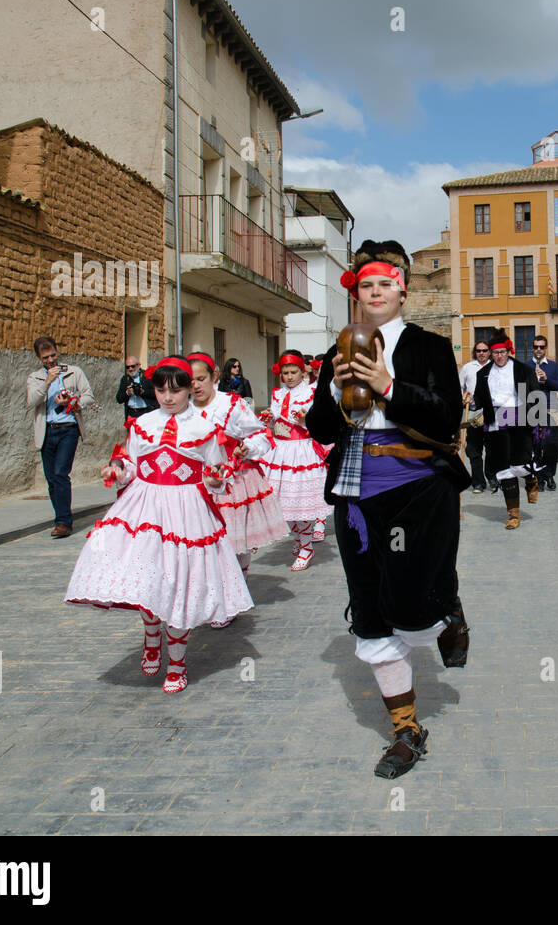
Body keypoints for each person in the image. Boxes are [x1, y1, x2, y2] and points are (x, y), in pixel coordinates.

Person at [306, 239, 470, 780]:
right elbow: (320, 431)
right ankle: (406, 729)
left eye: (385, 284)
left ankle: (443, 607)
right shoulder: (339, 348)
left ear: (401, 290)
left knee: (414, 605)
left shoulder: (430, 346)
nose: (375, 293)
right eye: (365, 286)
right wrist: (333, 387)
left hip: (417, 491)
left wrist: (387, 385)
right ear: (356, 294)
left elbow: (446, 417)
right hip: (356, 492)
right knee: (373, 613)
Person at [65, 356, 251, 693]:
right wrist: (118, 470)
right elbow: (131, 465)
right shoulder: (142, 424)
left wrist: (214, 479)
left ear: (189, 389)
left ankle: (177, 662)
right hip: (145, 508)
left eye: (176, 390)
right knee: (149, 576)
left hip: (188, 512)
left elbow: (218, 474)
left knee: (181, 583)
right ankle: (152, 633)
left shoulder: (206, 427)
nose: (168, 396)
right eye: (161, 389)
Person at [187, 353, 285, 598]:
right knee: (203, 540)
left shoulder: (231, 405)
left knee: (233, 541)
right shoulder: (183, 409)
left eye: (201, 379)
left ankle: (234, 589)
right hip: (197, 484)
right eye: (190, 381)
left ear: (214, 377)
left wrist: (247, 447)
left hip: (233, 481)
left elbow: (260, 434)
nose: (196, 385)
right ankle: (214, 589)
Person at [256, 348, 330, 571]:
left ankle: (307, 546)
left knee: (299, 501)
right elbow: (276, 422)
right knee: (281, 502)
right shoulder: (277, 394)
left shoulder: (310, 393)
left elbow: (318, 423)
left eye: (293, 372)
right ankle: (299, 537)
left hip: (301, 452)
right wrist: (268, 419)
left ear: (302, 373)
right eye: (285, 373)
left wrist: (306, 419)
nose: (289, 377)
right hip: (279, 452)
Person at [26, 336, 96, 538]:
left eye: (53, 355)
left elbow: (88, 396)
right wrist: (47, 382)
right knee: (51, 478)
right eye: (45, 357)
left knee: (60, 473)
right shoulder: (35, 377)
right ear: (39, 358)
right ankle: (61, 516)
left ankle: (63, 522)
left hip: (68, 428)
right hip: (47, 430)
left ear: (58, 352)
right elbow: (31, 401)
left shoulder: (74, 372)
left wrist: (72, 402)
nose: (50, 360)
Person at [474, 330, 542, 529]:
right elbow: (480, 398)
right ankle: (513, 514)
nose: (499, 357)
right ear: (490, 355)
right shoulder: (483, 373)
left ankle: (530, 478)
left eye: (503, 352)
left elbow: (534, 394)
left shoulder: (522, 370)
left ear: (508, 351)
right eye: (495, 353)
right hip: (496, 419)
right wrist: (471, 400)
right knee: (504, 468)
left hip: (519, 416)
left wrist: (536, 421)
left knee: (521, 462)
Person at [458, 341, 496, 492]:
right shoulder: (468, 368)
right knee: (474, 449)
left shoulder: (496, 367)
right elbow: (459, 387)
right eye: (478, 350)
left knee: (492, 448)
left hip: (491, 412)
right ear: (475, 352)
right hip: (472, 411)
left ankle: (492, 477)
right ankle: (478, 482)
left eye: (484, 350)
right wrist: (464, 395)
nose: (481, 353)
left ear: (489, 352)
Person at [529, 335, 558, 490]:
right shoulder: (526, 365)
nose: (539, 350)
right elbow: (520, 386)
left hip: (550, 409)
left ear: (546, 349)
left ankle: (549, 474)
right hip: (533, 409)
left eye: (542, 347)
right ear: (533, 348)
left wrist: (546, 378)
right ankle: (539, 478)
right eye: (536, 347)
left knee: (550, 444)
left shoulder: (554, 366)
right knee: (536, 445)